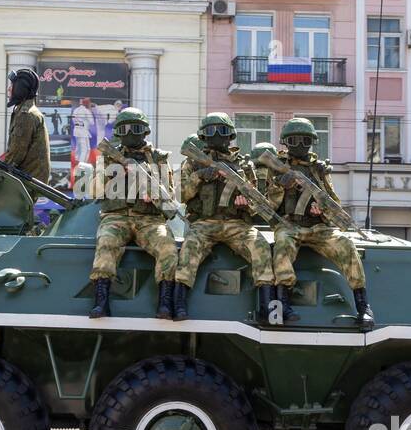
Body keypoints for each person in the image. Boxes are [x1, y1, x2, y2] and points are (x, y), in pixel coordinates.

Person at [265, 118, 373, 330]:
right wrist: (280, 185)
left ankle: (363, 305)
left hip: (319, 228)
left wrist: (322, 210)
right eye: (294, 139)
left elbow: (333, 202)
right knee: (282, 244)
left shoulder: (318, 169)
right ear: (286, 142)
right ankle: (282, 303)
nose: (300, 144)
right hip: (290, 226)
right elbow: (269, 205)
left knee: (345, 244)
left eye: (305, 139)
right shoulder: (277, 167)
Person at [173, 112, 276, 323]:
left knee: (260, 246)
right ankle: (179, 303)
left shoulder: (245, 166)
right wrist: (199, 176)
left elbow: (259, 203)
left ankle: (267, 305)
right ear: (203, 136)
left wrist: (247, 204)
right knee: (188, 250)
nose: (217, 135)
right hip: (204, 224)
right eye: (211, 131)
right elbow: (180, 194)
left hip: (236, 224)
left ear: (231, 136)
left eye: (223, 131)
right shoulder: (193, 163)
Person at [87, 107, 178, 320]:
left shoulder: (159, 158)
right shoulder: (109, 156)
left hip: (150, 219)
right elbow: (93, 191)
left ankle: (165, 303)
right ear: (118, 132)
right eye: (125, 129)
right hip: (116, 217)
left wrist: (154, 195)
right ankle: (101, 301)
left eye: (135, 128)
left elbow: (171, 193)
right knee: (106, 243)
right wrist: (111, 174)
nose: (130, 132)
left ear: (145, 131)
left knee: (168, 247)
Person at [2, 67, 50, 184]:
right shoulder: (27, 111)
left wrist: (0, 173)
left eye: (12, 85)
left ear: (20, 89)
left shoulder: (26, 115)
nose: (9, 89)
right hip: (29, 178)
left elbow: (16, 153)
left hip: (28, 182)